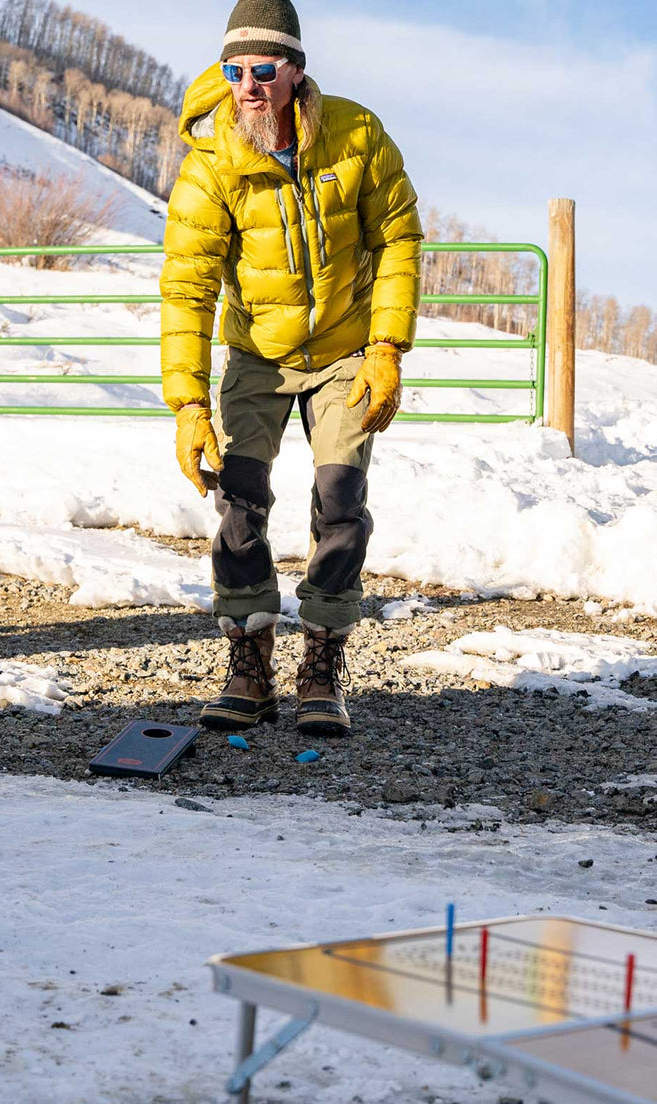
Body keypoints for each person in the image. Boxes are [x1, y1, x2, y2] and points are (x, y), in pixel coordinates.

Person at [161, 0, 422, 737]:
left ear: (295, 71)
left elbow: (399, 237)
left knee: (340, 501)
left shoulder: (357, 135)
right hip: (257, 355)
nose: (246, 85)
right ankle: (248, 662)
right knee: (240, 502)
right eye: (233, 70)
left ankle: (322, 663)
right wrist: (187, 403)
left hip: (344, 350)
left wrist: (386, 347)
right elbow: (188, 287)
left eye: (262, 69)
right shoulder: (212, 162)